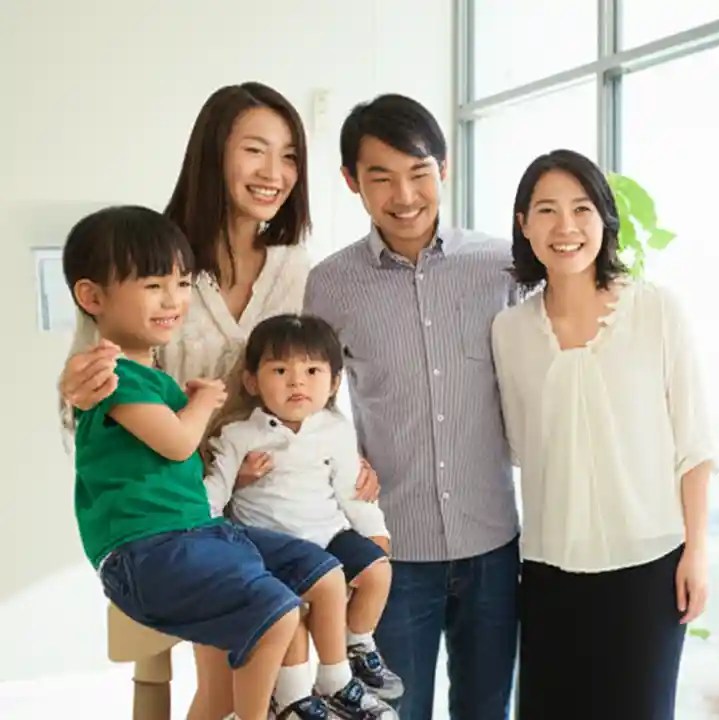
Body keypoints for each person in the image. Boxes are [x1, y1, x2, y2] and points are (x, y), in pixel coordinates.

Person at [57, 81, 380, 720]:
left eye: (289, 156)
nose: (275, 173)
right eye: (255, 151)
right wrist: (76, 388)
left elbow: (306, 370)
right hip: (184, 509)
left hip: (269, 500)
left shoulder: (293, 265)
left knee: (323, 600)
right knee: (231, 682)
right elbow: (88, 386)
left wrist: (340, 450)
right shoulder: (154, 255)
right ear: (213, 155)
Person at [304, 94, 519, 719]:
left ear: (443, 169)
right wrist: (342, 462)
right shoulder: (330, 284)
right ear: (352, 182)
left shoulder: (501, 265)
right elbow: (310, 400)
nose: (404, 195)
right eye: (381, 178)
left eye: (419, 172)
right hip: (392, 556)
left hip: (493, 544)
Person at [490, 149, 714, 719]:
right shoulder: (509, 331)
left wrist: (697, 553)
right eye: (546, 210)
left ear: (604, 218)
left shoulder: (656, 311)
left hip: (649, 567)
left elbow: (695, 445)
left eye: (581, 209)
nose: (565, 228)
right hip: (548, 573)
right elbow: (519, 445)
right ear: (524, 225)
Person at [204, 314, 402, 718]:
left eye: (312, 370)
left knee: (379, 570)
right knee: (286, 613)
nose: (297, 382)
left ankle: (357, 645)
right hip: (271, 546)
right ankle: (299, 697)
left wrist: (375, 535)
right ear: (252, 382)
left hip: (329, 533)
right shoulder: (238, 436)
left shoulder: (335, 428)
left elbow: (353, 490)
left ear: (333, 383)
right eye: (280, 370)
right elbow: (214, 495)